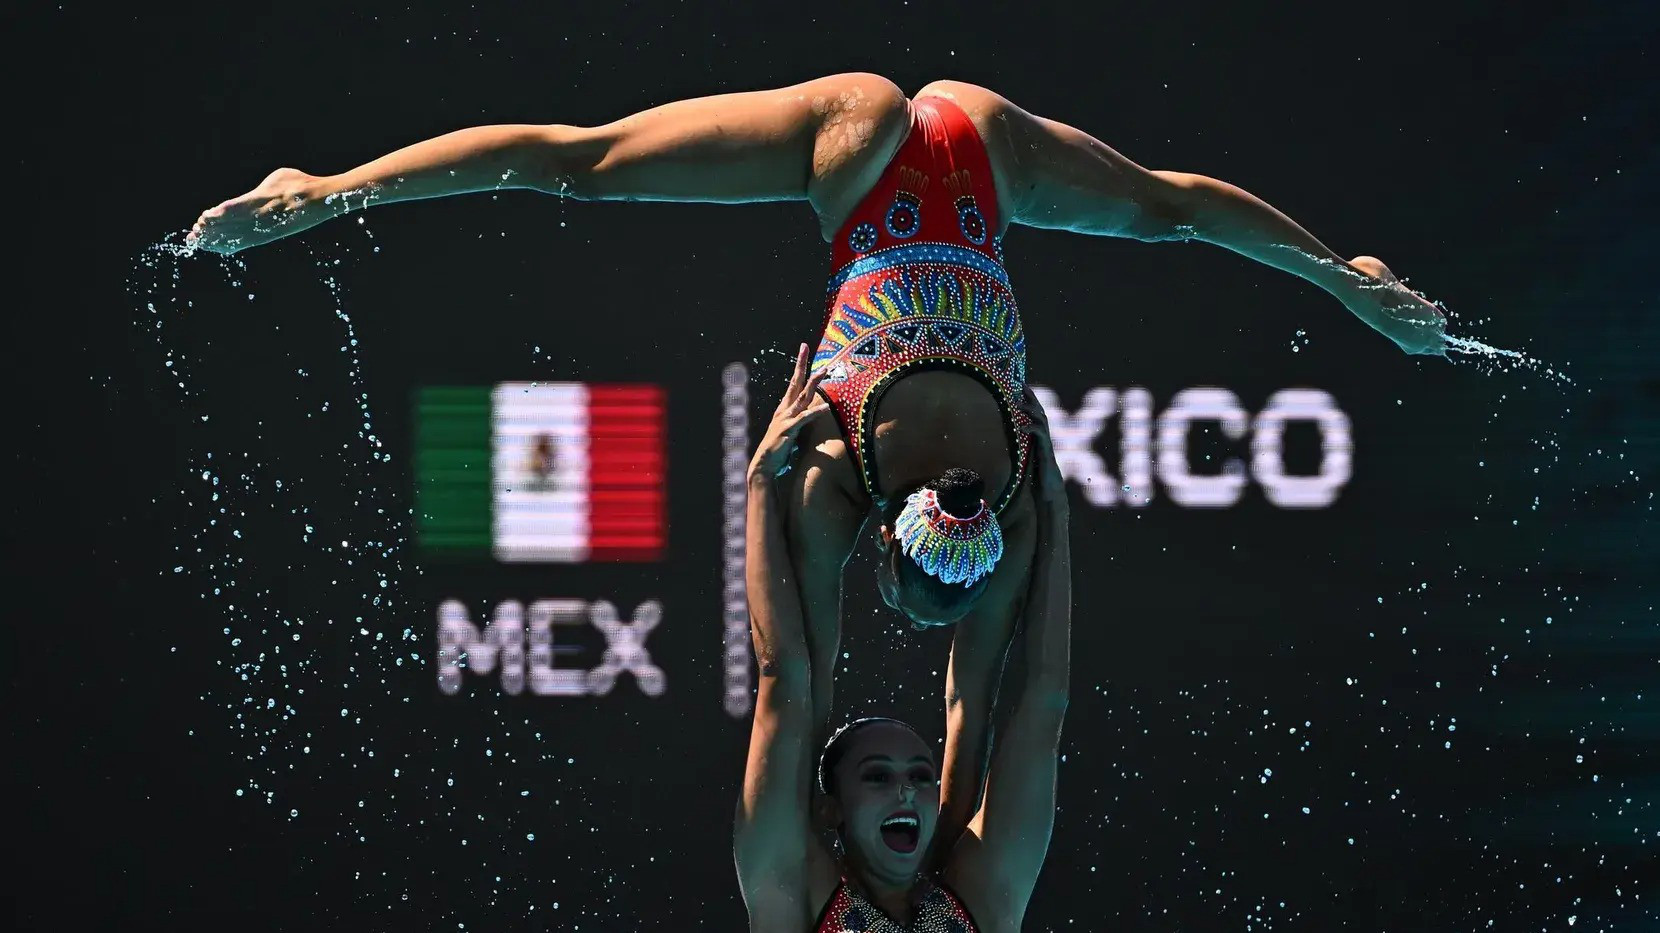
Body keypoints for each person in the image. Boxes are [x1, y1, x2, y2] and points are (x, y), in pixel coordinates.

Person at [189, 72, 1448, 857]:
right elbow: (801, 672)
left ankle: (1348, 272)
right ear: (888, 555)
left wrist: (1342, 288)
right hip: (856, 166)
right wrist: (925, 848)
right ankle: (325, 189)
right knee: (580, 170)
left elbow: (993, 693)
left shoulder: (1005, 502)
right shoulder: (834, 470)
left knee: (1166, 210)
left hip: (975, 152)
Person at [736, 345, 1072, 931]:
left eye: (919, 774)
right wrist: (1054, 515)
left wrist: (762, 485)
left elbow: (785, 682)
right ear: (829, 811)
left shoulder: (800, 903)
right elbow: (1045, 701)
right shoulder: (980, 904)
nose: (909, 792)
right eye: (883, 777)